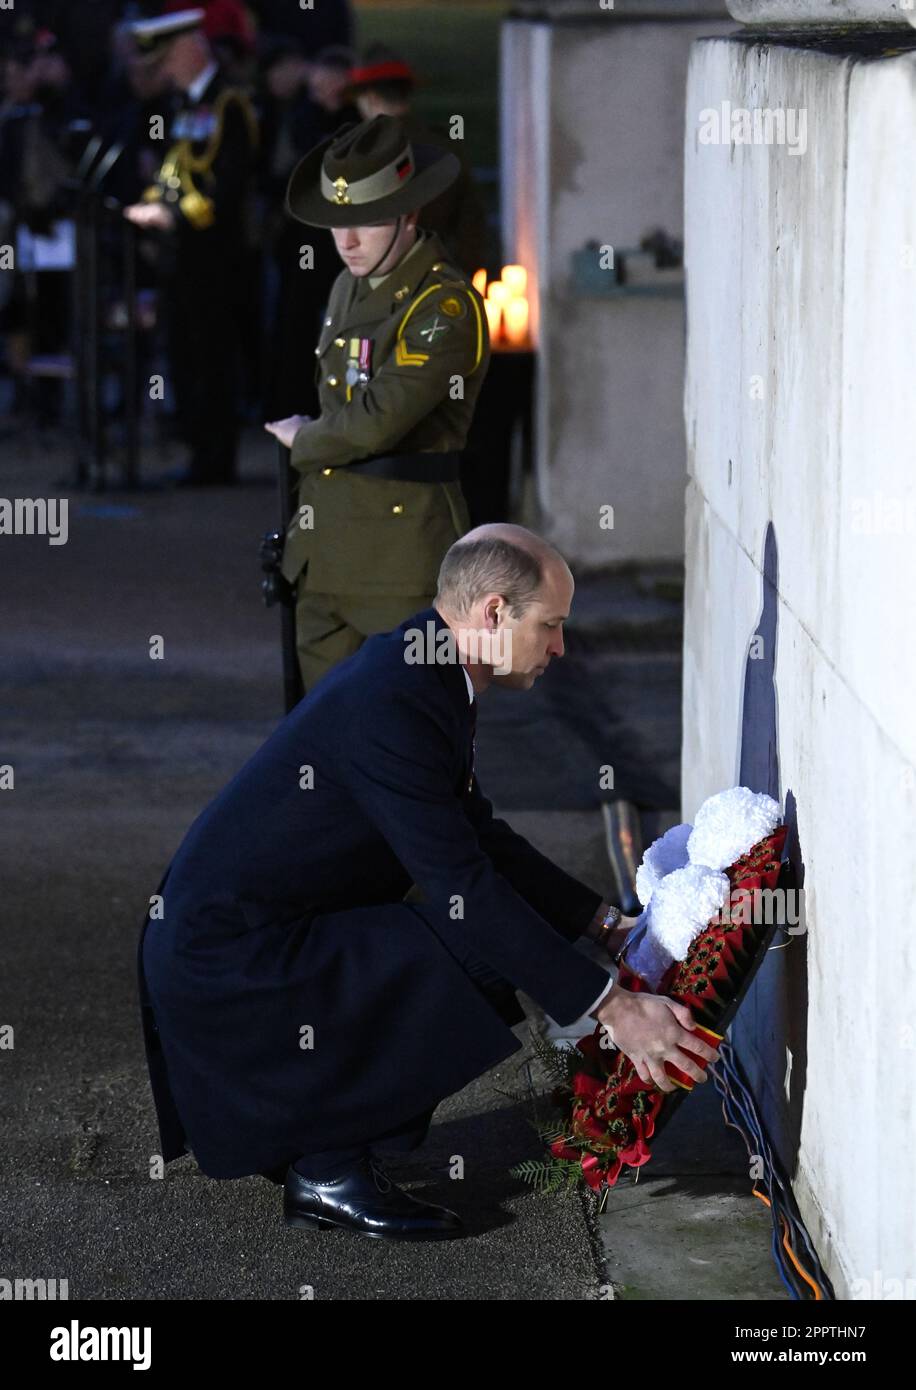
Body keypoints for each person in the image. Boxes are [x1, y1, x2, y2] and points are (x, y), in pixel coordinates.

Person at [137, 524, 719, 1240]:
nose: (561, 648)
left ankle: (330, 1132)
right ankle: (327, 1166)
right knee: (475, 943)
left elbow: (477, 834)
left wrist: (605, 925)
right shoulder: (398, 698)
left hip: (255, 940)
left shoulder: (424, 668)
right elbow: (464, 888)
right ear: (495, 613)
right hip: (228, 966)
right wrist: (614, 1009)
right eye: (553, 626)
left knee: (488, 937)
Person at [264, 113, 490, 692]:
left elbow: (378, 422)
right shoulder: (349, 284)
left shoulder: (444, 306)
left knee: (405, 742)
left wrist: (304, 440)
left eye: (365, 221)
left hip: (398, 563)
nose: (347, 240)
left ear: (408, 214)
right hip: (326, 555)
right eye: (338, 222)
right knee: (320, 746)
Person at [123, 8, 258, 486]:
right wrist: (155, 202)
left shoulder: (228, 103)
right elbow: (175, 168)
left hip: (218, 257)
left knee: (212, 355)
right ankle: (200, 448)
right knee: (185, 352)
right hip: (184, 255)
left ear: (188, 50)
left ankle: (216, 456)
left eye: (169, 56)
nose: (164, 68)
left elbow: (231, 183)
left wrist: (177, 213)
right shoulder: (184, 104)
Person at [346, 43, 487, 274]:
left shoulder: (364, 153)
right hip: (437, 276)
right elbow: (472, 223)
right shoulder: (445, 145)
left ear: (370, 98)